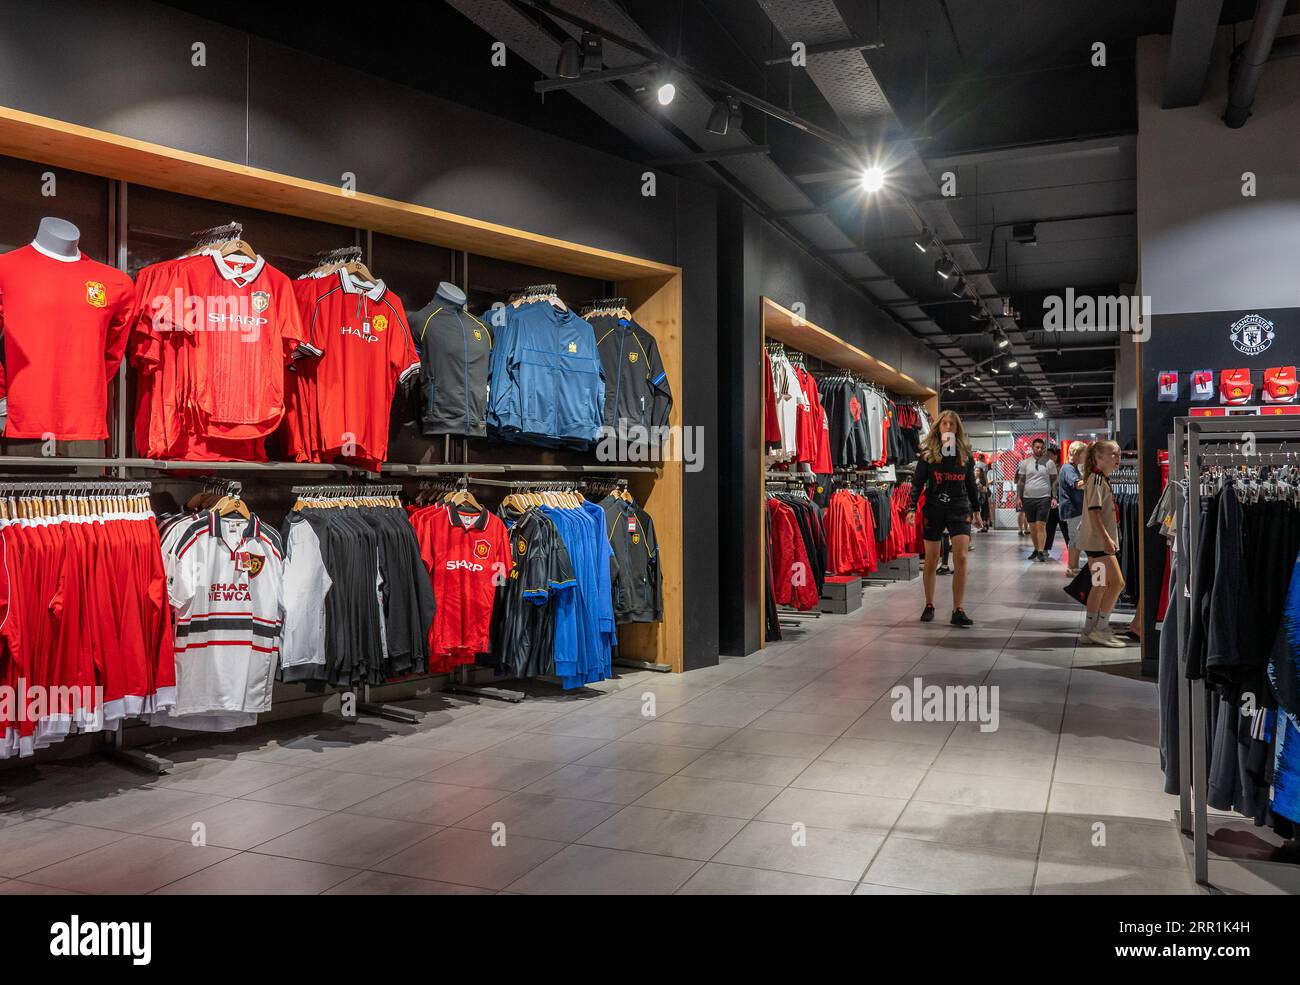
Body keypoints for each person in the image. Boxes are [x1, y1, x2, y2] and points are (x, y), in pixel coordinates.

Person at [906, 409, 983, 627]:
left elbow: (970, 484)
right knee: (931, 559)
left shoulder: (965, 453)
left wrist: (977, 510)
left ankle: (958, 609)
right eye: (944, 423)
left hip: (959, 507)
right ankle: (929, 604)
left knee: (961, 558)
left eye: (952, 424)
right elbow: (918, 481)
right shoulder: (928, 452)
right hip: (934, 507)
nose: (948, 427)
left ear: (957, 429)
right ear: (938, 427)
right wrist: (911, 507)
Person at [1077, 439, 1127, 647]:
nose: (1118, 458)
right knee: (1117, 583)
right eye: (1113, 454)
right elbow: (1094, 512)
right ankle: (1101, 627)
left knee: (1099, 585)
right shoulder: (1097, 480)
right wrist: (1107, 539)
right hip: (1099, 543)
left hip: (1094, 543)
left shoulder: (1097, 479)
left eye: (1118, 454)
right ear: (1099, 457)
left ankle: (1090, 629)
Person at [1016, 437, 1058, 562]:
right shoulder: (1025, 463)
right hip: (1028, 498)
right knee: (1033, 526)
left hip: (1044, 498)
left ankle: (1041, 550)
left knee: (1041, 525)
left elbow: (1054, 481)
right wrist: (1019, 496)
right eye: (1037, 447)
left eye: (1041, 447)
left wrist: (1054, 497)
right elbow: (1021, 481)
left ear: (1044, 448)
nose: (1039, 449)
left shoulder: (1049, 463)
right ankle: (1036, 549)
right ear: (1032, 448)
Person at [1058, 442, 1087, 575]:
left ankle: (1073, 567)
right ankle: (1071, 567)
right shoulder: (1068, 468)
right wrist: (1093, 478)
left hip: (1075, 508)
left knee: (1076, 539)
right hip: (1073, 509)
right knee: (1075, 539)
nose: (1085, 457)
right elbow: (1077, 484)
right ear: (1076, 454)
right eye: (1083, 454)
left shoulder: (1071, 467)